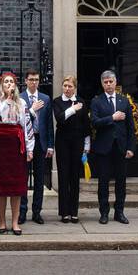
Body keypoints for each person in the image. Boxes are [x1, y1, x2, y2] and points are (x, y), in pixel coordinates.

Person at [0, 70, 34, 234]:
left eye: (12, 82)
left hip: (16, 144)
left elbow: (27, 125)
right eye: (6, 82)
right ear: (2, 85)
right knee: (1, 186)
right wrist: (7, 100)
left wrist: (30, 148)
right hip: (1, 144)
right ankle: (2, 222)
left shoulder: (22, 103)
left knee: (16, 186)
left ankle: (15, 222)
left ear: (15, 86)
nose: (9, 85)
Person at [89, 69, 134, 225]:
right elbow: (94, 122)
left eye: (111, 82)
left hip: (120, 147)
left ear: (115, 83)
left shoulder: (124, 101)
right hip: (103, 148)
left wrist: (130, 147)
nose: (108, 85)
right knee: (103, 182)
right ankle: (104, 212)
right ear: (102, 84)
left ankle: (119, 212)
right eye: (105, 82)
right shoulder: (97, 101)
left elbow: (130, 126)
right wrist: (112, 118)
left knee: (121, 182)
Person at [19, 70, 54, 226]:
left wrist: (51, 146)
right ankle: (21, 211)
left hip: (40, 141)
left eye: (36, 79)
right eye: (31, 79)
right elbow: (19, 123)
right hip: (25, 142)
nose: (34, 82)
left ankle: (37, 212)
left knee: (39, 180)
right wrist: (32, 109)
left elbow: (49, 125)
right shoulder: (20, 98)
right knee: (23, 179)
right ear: (26, 81)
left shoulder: (46, 98)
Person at [52, 74, 88, 223]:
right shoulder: (57, 102)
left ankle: (74, 212)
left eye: (70, 86)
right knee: (63, 176)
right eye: (65, 86)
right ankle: (64, 212)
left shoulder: (81, 102)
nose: (67, 89)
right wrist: (73, 109)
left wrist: (87, 146)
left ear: (74, 88)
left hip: (78, 143)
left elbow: (86, 124)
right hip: (62, 143)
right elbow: (59, 118)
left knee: (74, 177)